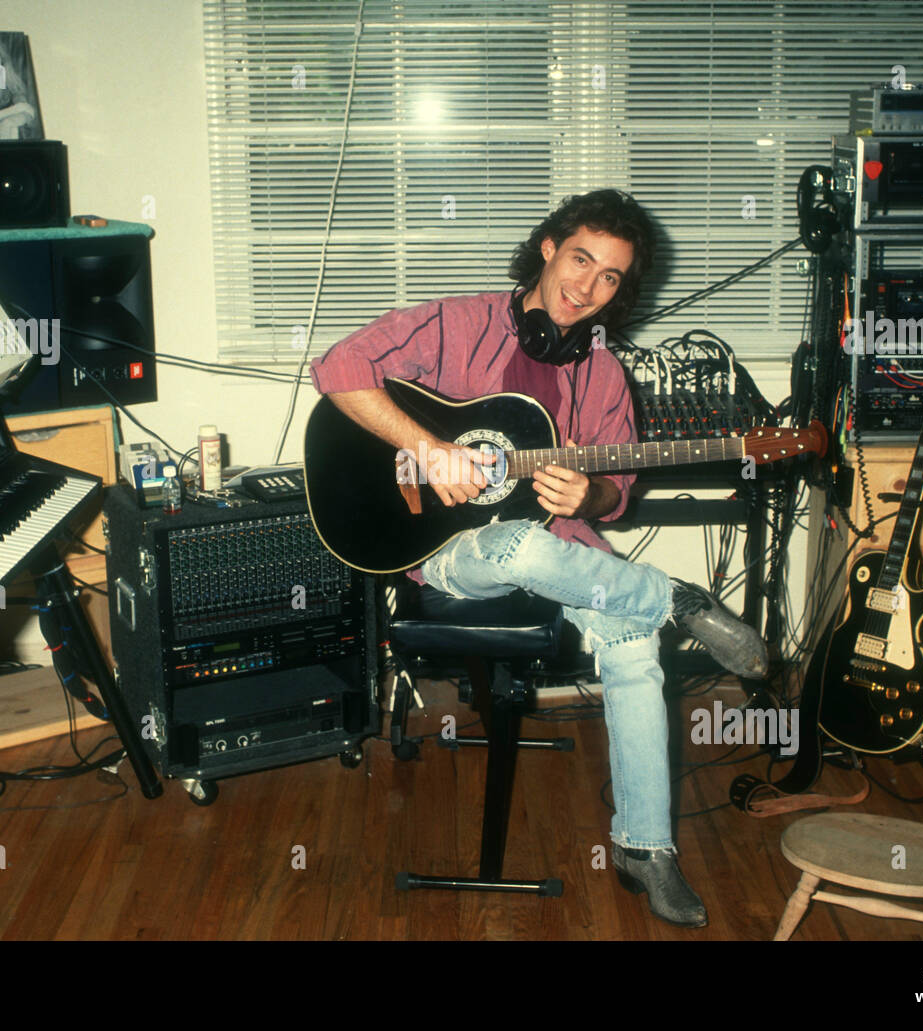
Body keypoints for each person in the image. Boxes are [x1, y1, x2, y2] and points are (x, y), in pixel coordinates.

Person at [308, 189, 766, 927]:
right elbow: (338, 368)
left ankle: (644, 846)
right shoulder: (457, 323)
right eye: (581, 260)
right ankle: (676, 595)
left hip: (562, 550)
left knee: (631, 640)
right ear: (548, 247)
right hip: (445, 552)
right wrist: (428, 448)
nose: (587, 288)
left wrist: (589, 497)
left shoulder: (607, 378)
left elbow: (617, 494)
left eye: (611, 277)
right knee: (519, 542)